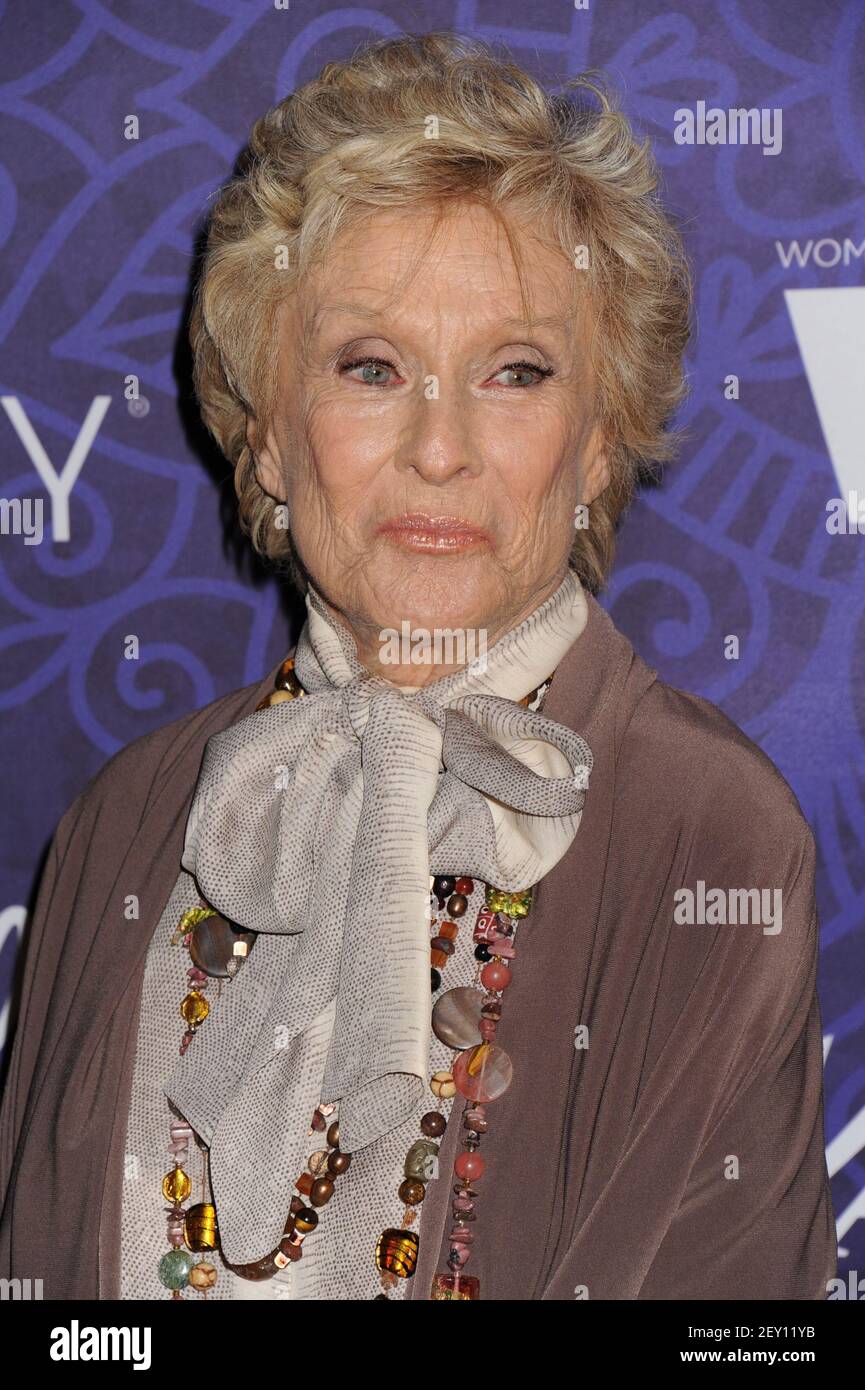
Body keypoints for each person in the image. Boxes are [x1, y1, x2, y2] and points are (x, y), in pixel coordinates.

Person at [0, 31, 835, 1301]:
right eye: (371, 368)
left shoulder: (707, 836)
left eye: (514, 372)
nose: (439, 448)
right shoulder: (126, 821)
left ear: (598, 443)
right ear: (269, 437)